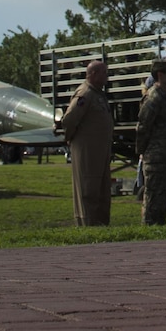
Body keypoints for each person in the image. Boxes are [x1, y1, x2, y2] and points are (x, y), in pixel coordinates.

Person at [60, 60, 114, 226]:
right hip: (87, 151)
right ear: (93, 74)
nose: (106, 76)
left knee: (101, 188)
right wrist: (70, 138)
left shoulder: (98, 94)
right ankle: (87, 222)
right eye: (103, 73)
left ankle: (100, 223)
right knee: (88, 187)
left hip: (100, 151)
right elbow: (69, 119)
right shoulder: (85, 94)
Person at [137, 58, 166, 225]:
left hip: (165, 155)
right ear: (160, 74)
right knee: (153, 197)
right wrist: (142, 151)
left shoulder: (163, 96)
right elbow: (143, 126)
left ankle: (159, 228)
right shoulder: (153, 97)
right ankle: (149, 228)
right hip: (155, 157)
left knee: (164, 197)